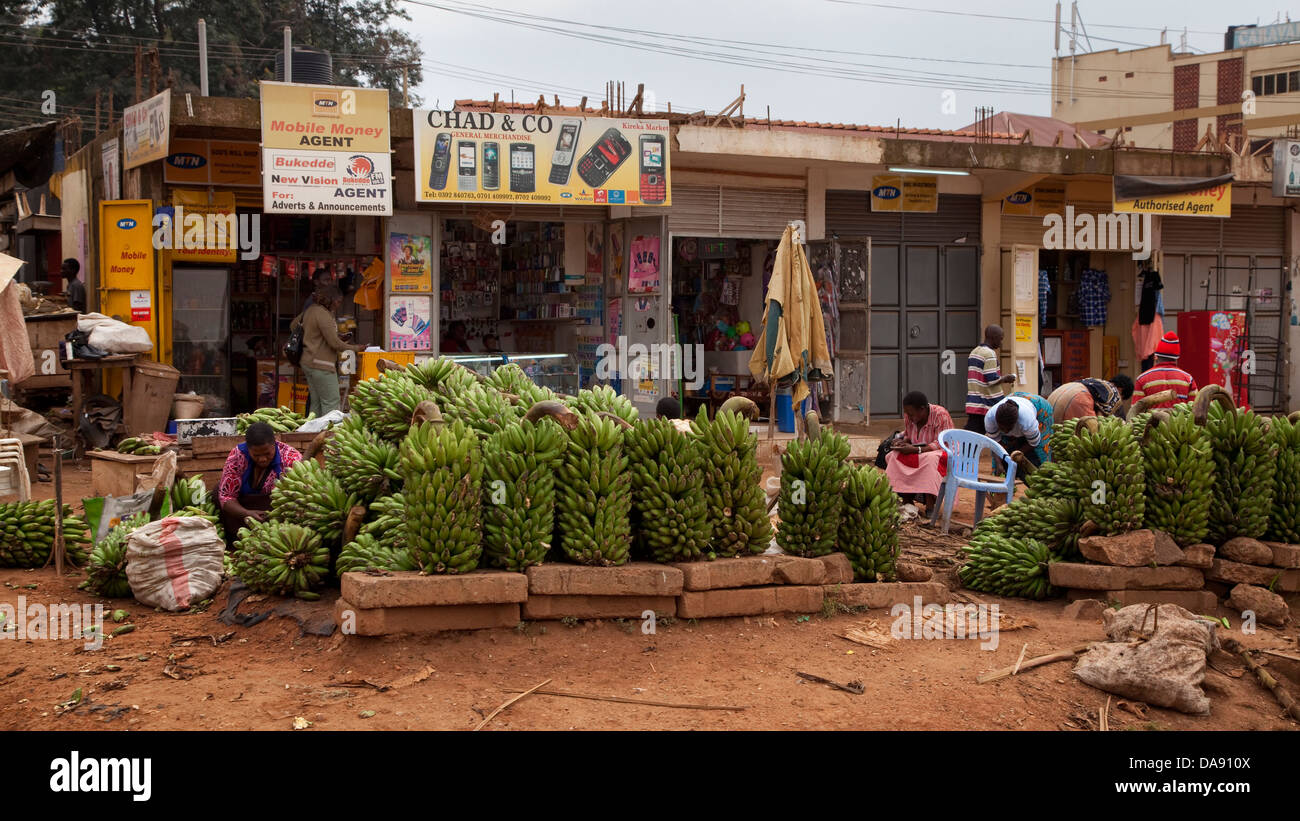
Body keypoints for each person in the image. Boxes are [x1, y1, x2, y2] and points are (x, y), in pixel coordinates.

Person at [217, 422, 303, 543]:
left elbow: (298, 496)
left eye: (267, 453)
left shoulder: (291, 459)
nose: (262, 459)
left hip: (275, 514)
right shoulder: (238, 455)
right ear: (248, 448)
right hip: (242, 511)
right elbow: (226, 496)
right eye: (256, 455)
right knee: (217, 490)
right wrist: (246, 513)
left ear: (275, 444)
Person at [884, 390, 953, 510]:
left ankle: (930, 505)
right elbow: (909, 435)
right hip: (919, 452)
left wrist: (918, 450)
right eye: (906, 414)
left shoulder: (940, 415)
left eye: (911, 414)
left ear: (922, 409)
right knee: (893, 456)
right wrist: (902, 442)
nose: (908, 417)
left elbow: (943, 442)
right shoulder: (908, 417)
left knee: (930, 459)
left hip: (943, 453)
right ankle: (907, 499)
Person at [293, 285, 355, 417]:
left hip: (308, 362)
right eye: (338, 301)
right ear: (331, 299)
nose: (338, 305)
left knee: (316, 403)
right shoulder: (322, 314)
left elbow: (293, 325)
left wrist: (313, 336)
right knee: (331, 402)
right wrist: (356, 348)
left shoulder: (311, 310)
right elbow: (334, 343)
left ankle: (311, 433)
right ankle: (327, 434)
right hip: (321, 364)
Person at [966, 325, 1016, 432]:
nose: (1001, 343)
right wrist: (1006, 378)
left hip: (973, 404)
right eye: (1000, 339)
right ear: (993, 337)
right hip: (987, 405)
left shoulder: (974, 351)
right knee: (998, 436)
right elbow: (991, 380)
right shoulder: (990, 354)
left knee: (971, 438)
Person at [986, 392, 1053, 469]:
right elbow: (995, 444)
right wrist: (999, 463)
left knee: (1041, 452)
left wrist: (1014, 455)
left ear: (1015, 423)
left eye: (1009, 429)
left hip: (1039, 408)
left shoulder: (1027, 421)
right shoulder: (990, 418)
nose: (1005, 431)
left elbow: (1034, 443)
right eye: (1001, 428)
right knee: (1000, 459)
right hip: (1013, 400)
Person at [1133, 332, 1197, 410]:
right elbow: (1194, 409)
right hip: (1180, 422)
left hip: (1149, 422)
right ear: (1176, 358)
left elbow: (1135, 410)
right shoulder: (1188, 379)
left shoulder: (1142, 379)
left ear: (1156, 356)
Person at [1046, 377, 1123, 423]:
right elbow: (1093, 426)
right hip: (1076, 399)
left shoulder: (1085, 385)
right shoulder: (1084, 399)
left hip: (1054, 398)